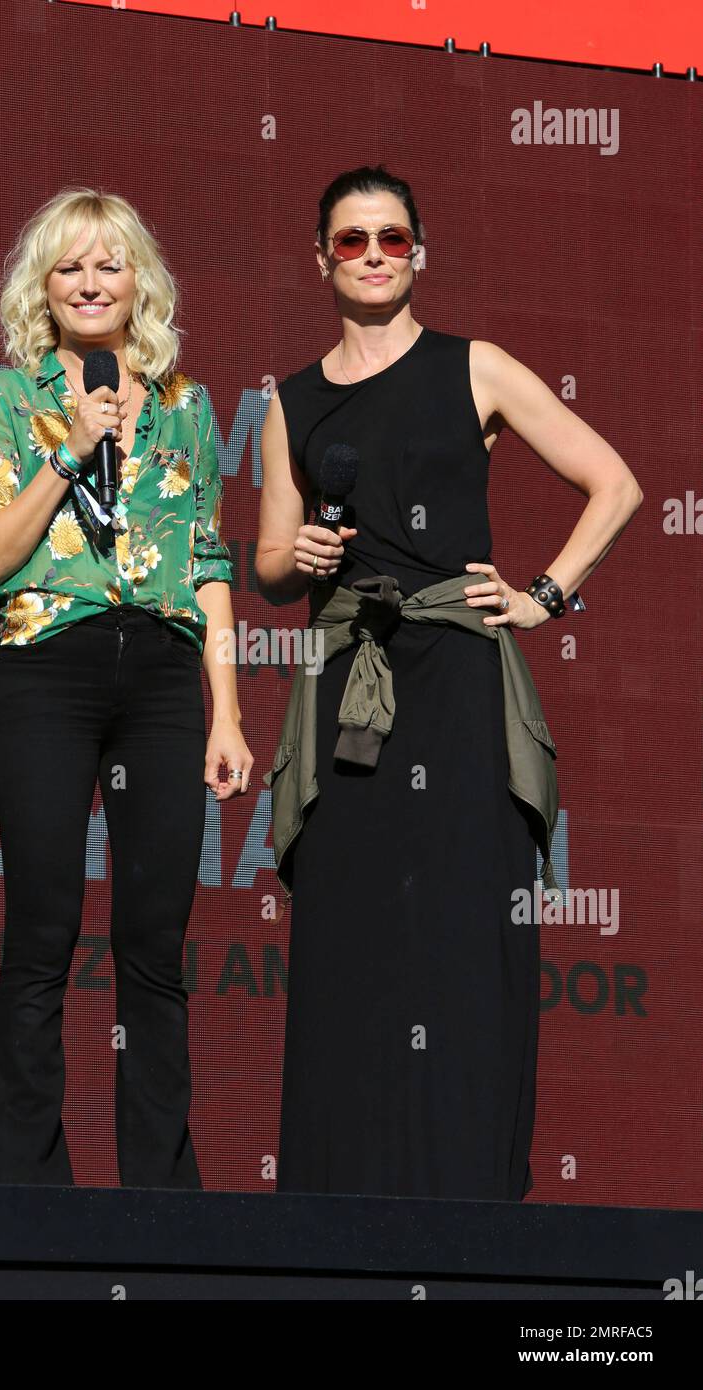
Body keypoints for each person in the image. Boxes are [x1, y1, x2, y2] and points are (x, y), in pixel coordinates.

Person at [257, 163, 642, 1201]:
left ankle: (467, 1200)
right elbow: (261, 564)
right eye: (351, 240)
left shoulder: (473, 367)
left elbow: (615, 481)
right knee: (350, 936)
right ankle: (335, 1207)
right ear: (320, 258)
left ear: (417, 252)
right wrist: (297, 556)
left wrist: (545, 594)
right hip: (350, 696)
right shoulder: (288, 401)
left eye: (391, 238)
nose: (373, 255)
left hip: (456, 682)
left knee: (466, 930)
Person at [0, 186, 253, 1187]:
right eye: (68, 266)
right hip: (50, 668)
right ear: (44, 285)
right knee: (42, 929)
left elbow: (208, 560)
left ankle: (162, 1198)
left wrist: (227, 711)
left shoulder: (186, 406)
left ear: (140, 283)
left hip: (164, 678)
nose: (89, 283)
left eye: (107, 264)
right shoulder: (5, 397)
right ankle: (33, 1194)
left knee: (153, 942)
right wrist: (69, 449)